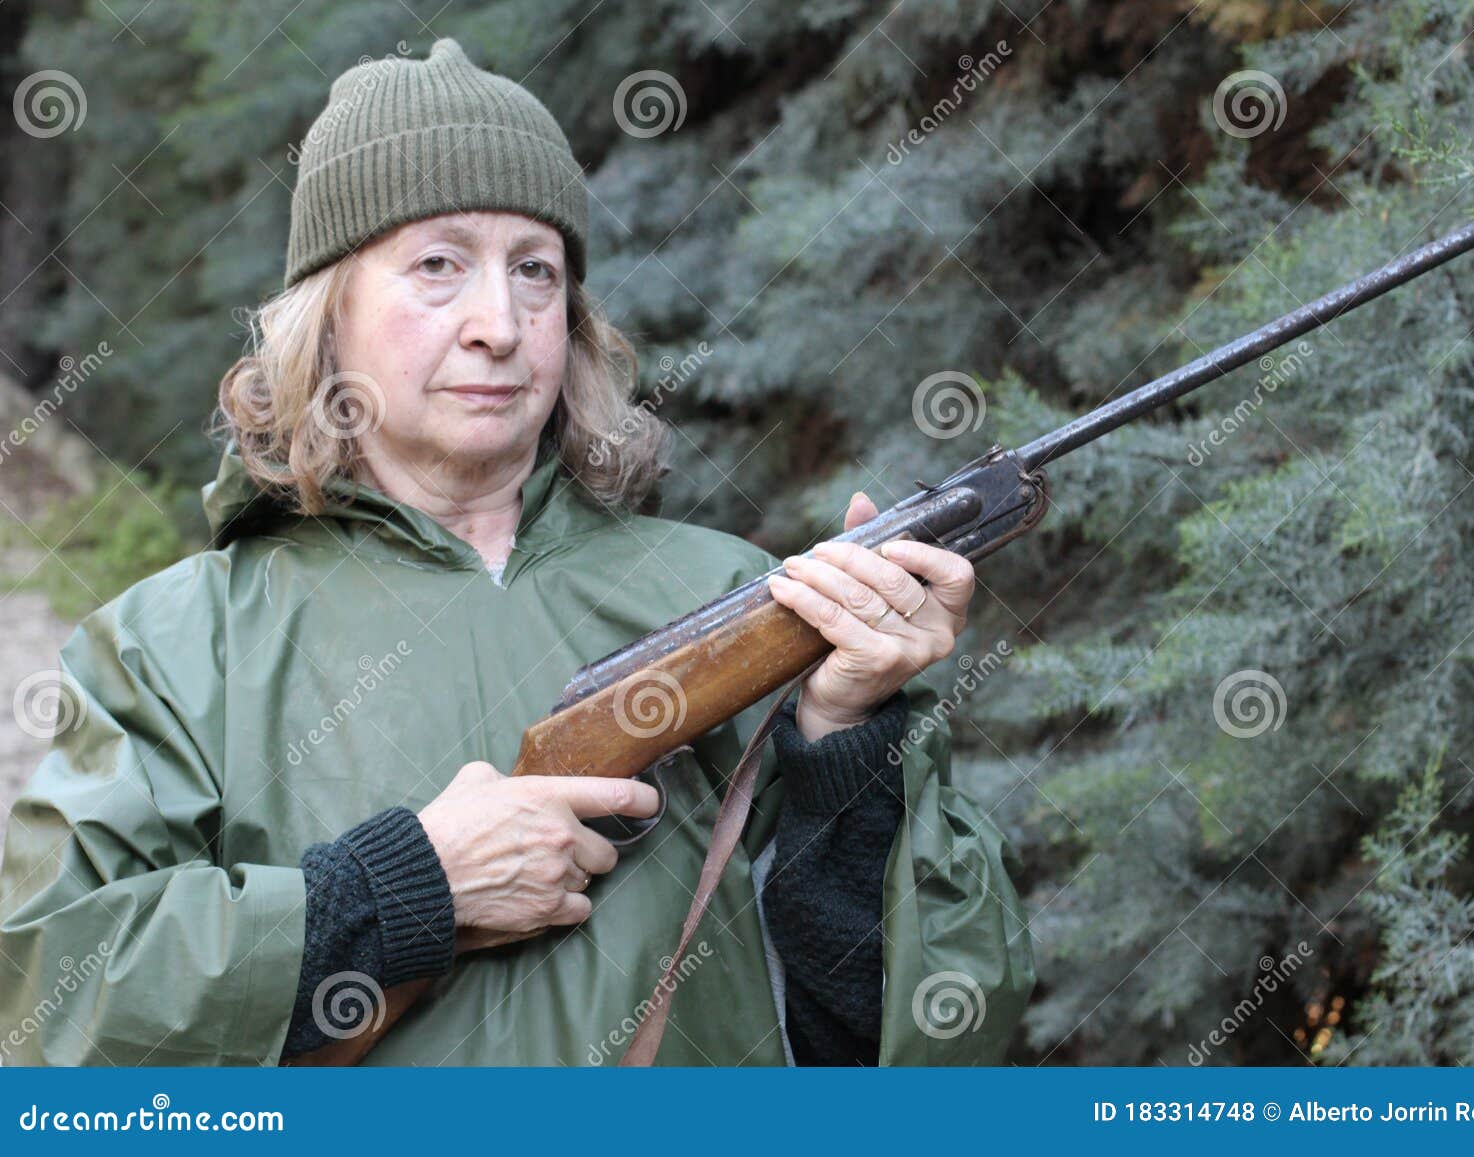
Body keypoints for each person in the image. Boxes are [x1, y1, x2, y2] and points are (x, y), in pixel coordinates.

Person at [0, 37, 1034, 1066]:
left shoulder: (731, 594)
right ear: (328, 315)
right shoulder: (176, 644)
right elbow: (49, 1009)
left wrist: (844, 739)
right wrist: (402, 891)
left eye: (535, 272)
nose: (499, 322)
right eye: (438, 265)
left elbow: (919, 1035)